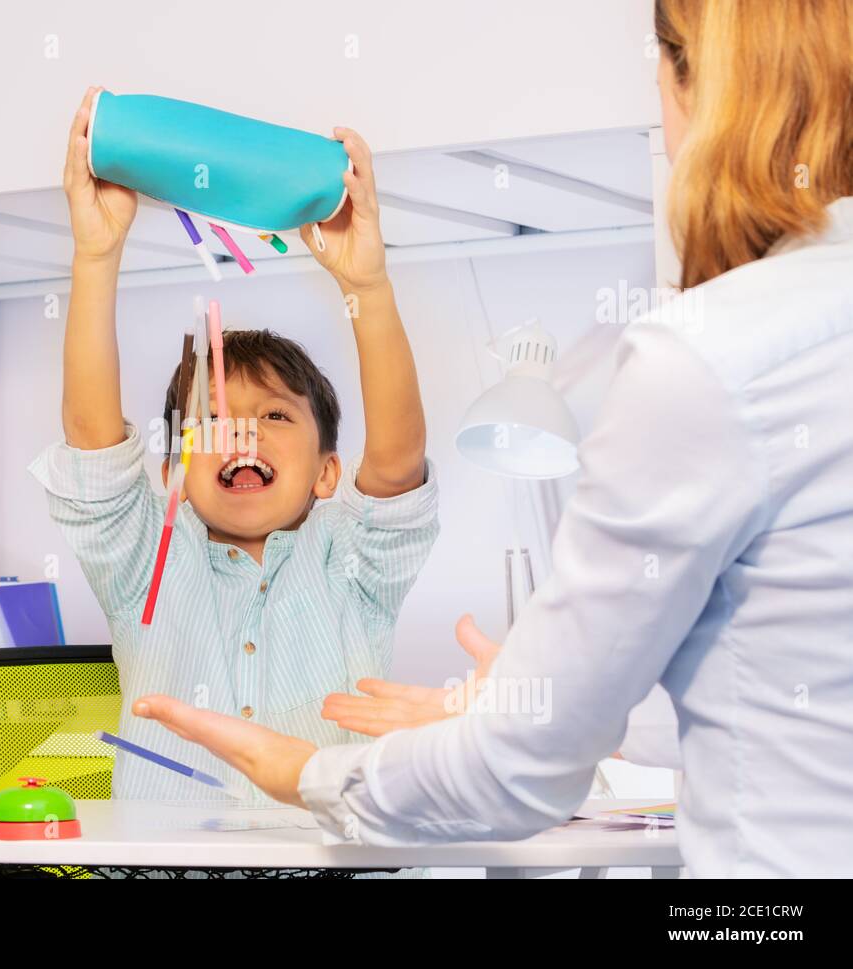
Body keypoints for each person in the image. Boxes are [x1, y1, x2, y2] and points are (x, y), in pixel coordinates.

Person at [133, 0, 853, 875]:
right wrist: (534, 695)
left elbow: (522, 770)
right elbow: (770, 688)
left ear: (694, 79)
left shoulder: (712, 354)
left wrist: (312, 773)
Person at [30, 89, 439, 801]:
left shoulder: (356, 563)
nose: (242, 433)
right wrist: (97, 255)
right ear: (172, 471)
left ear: (327, 473)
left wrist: (364, 283)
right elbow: (92, 441)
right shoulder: (143, 561)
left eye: (275, 417)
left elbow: (399, 463)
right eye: (212, 420)